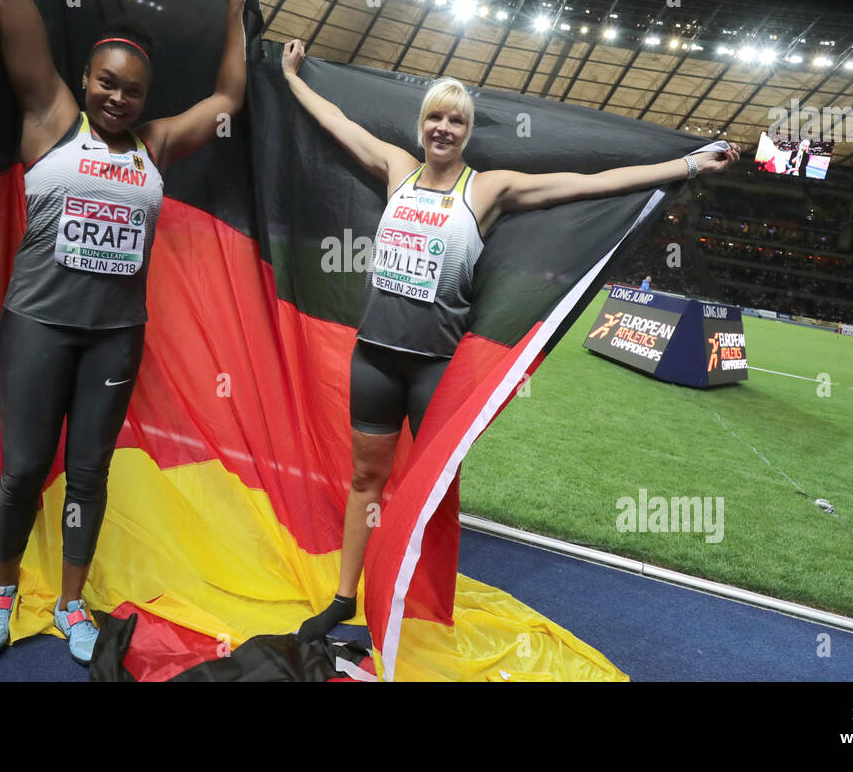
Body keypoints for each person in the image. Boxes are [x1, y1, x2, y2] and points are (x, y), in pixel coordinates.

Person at [280, 38, 740, 641]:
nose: (443, 128)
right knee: (366, 479)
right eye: (435, 117)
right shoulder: (397, 167)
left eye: (456, 120)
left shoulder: (489, 189)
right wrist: (291, 76)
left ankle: (410, 602)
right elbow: (335, 122)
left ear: (467, 132)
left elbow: (591, 183)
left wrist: (687, 166)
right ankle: (345, 597)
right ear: (421, 126)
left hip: (433, 368)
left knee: (433, 490)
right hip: (376, 356)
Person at [0, 0, 248, 665]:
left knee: (88, 474)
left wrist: (235, 8)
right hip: (36, 326)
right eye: (106, 81)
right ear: (85, 77)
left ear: (145, 97)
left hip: (115, 336)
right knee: (24, 470)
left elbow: (230, 96)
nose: (117, 96)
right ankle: (2, 587)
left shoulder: (156, 146)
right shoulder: (51, 115)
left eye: (130, 89)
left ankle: (71, 604)